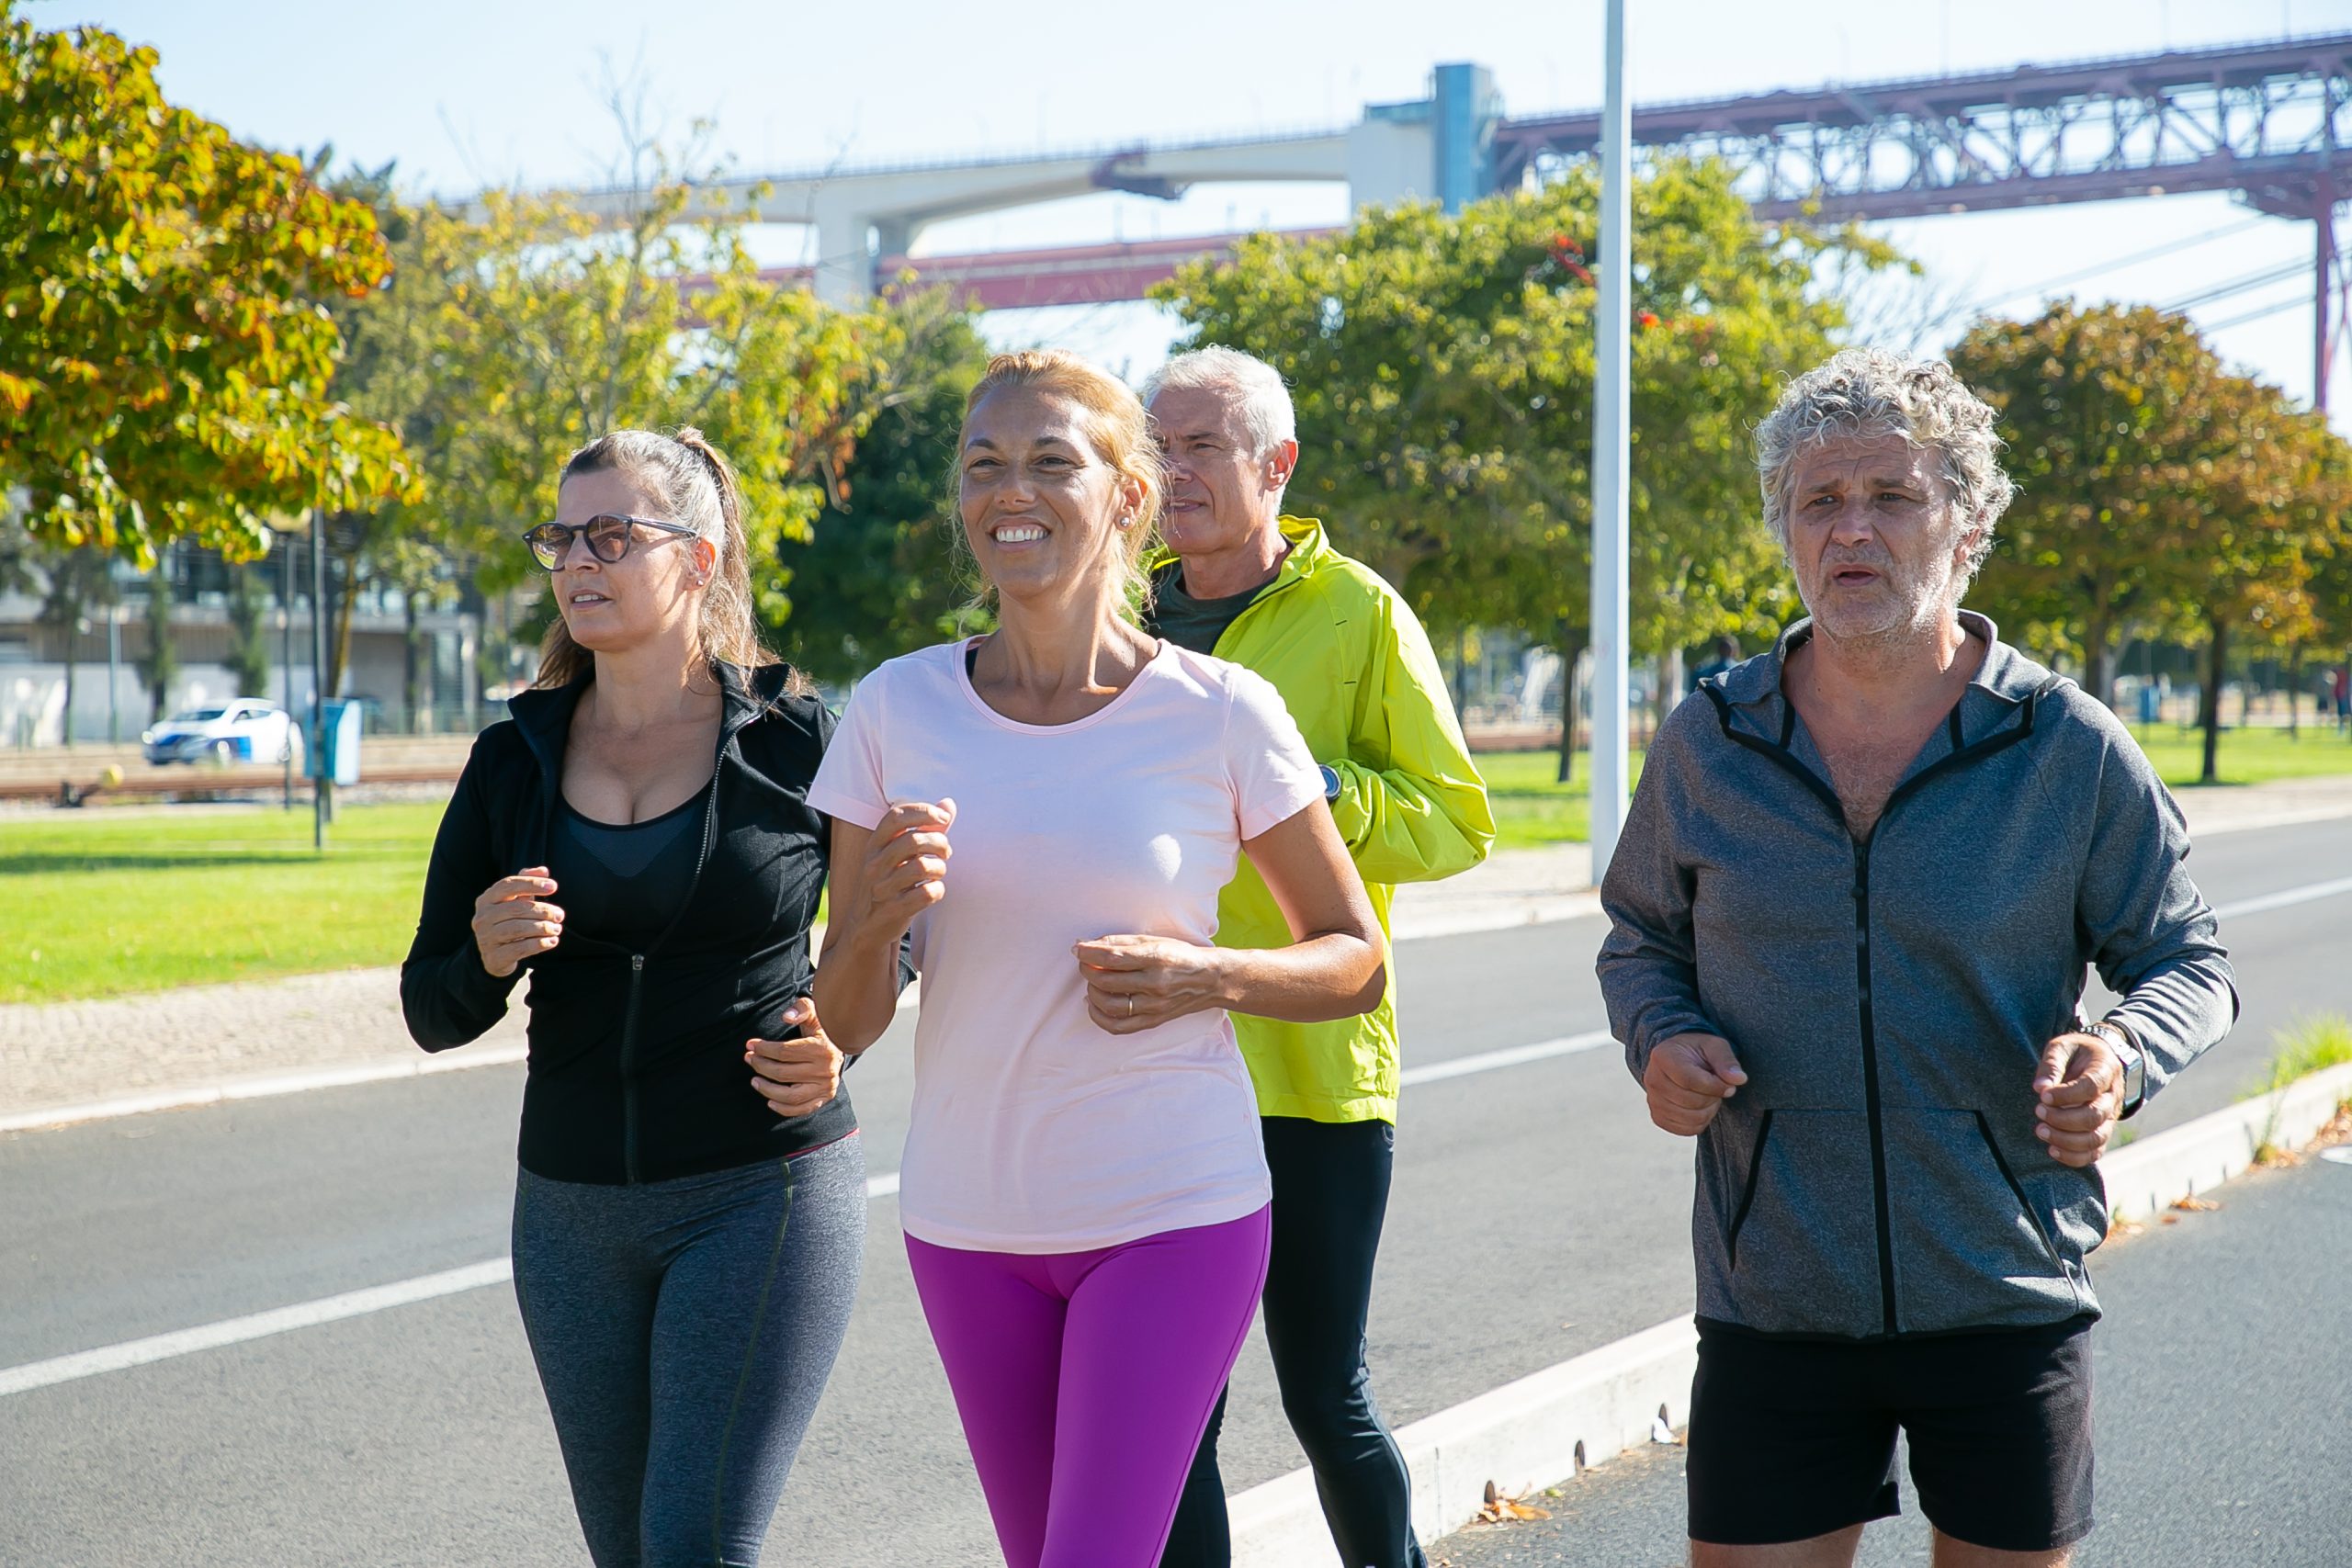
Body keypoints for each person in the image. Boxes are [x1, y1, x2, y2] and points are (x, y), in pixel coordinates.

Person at [1596, 349, 2236, 1568]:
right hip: (1774, 1294)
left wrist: (2123, 1050)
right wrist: (1659, 1036)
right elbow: (1640, 937)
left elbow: (2188, 956)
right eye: (1819, 501)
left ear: (1970, 520)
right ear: (1783, 528)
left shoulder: (2064, 745)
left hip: (2006, 1287)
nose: (1852, 529)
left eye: (1892, 496)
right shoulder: (1710, 740)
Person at [807, 350, 1389, 1568]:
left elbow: (1353, 957)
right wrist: (872, 922)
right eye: (984, 463)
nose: (1009, 489)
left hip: (1174, 1207)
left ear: (1126, 494)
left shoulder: (1223, 710)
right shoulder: (893, 710)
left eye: (1050, 460)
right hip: (969, 1223)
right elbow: (839, 1022)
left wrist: (1210, 974)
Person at [401, 428, 873, 1568]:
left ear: (700, 559)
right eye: (561, 536)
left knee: (695, 1546)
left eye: (613, 534)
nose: (577, 561)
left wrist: (837, 1036)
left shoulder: (799, 740)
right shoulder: (510, 760)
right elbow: (432, 1007)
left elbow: (890, 930)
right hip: (568, 1218)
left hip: (759, 1192)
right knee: (629, 1556)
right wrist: (485, 953)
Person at [1138, 346, 1493, 1568]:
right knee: (1176, 1413)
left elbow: (1457, 816)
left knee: (1322, 1392)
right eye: (1157, 444)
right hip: (1144, 1072)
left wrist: (1317, 792)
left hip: (1315, 1070)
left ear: (1276, 465)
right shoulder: (1112, 617)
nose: (1170, 470)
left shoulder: (1360, 613)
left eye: (1200, 446)